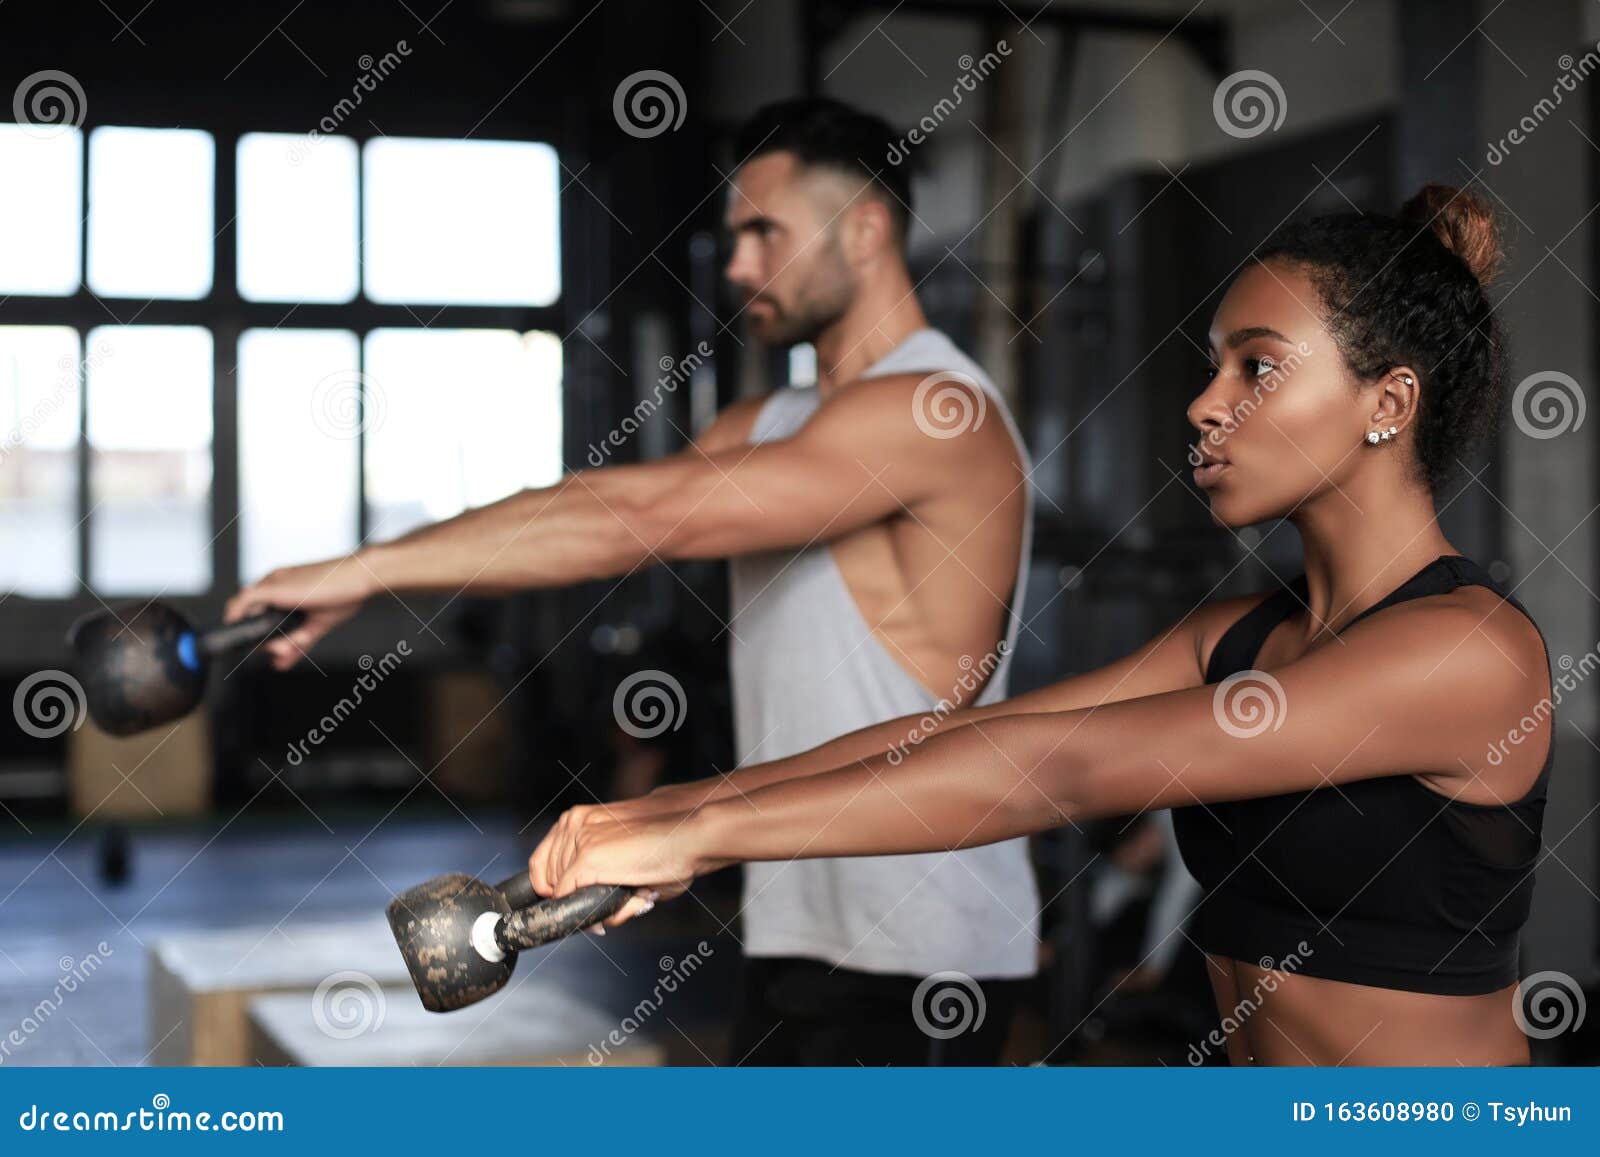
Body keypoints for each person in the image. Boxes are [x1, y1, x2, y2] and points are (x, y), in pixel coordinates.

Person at [530, 184, 1557, 1066]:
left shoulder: (1465, 652)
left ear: (1389, 401)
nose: (1203, 404)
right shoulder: (1236, 636)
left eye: (1256, 368)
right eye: (1211, 366)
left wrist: (704, 836)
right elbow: (958, 733)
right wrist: (671, 814)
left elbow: (1062, 770)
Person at [226, 97, 1039, 1066]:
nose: (738, 265)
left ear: (864, 227)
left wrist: (367, 568)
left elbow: (640, 517)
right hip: (792, 924)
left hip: (920, 947)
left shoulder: (931, 408)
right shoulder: (759, 424)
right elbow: (610, 514)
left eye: (762, 231)